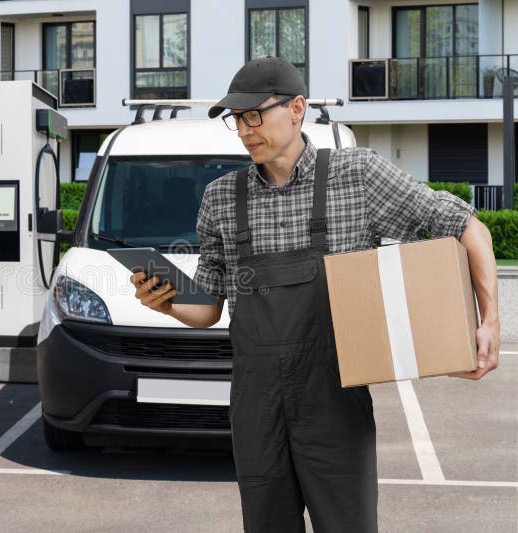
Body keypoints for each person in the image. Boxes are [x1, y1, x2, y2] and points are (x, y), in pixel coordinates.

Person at [130, 56, 500, 533]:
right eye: (237, 120)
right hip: (255, 407)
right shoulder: (221, 198)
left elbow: (468, 226)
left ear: (298, 108)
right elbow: (208, 307)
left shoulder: (358, 176)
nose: (244, 130)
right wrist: (165, 301)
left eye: (254, 115)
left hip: (335, 406)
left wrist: (489, 321)